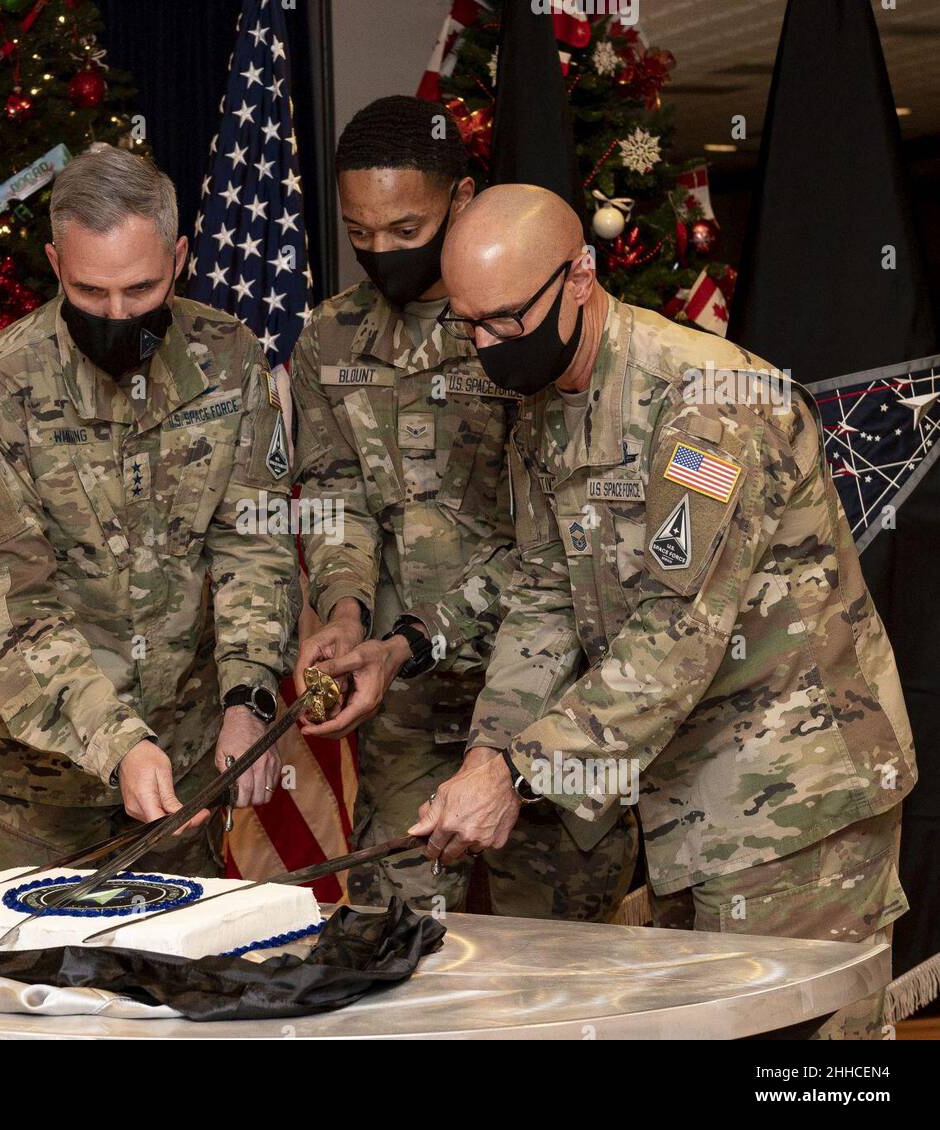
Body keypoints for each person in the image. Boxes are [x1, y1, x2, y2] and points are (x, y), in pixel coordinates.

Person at [329, 183, 915, 1038]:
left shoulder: (711, 402)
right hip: (685, 801)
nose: (487, 347)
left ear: (580, 275)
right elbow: (543, 591)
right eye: (468, 325)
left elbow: (677, 635)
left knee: (810, 1069)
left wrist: (518, 772)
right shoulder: (550, 401)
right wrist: (490, 749)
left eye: (504, 320)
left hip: (796, 796)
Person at [291, 97, 636, 918]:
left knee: (560, 952)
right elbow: (337, 493)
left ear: (462, 198)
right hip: (400, 696)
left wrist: (416, 639)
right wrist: (344, 611)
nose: (382, 254)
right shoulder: (329, 341)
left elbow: (551, 552)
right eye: (360, 234)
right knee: (394, 938)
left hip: (549, 691)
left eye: (406, 232)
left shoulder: (526, 330)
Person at [0, 146, 300, 876]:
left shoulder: (229, 362)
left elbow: (252, 545)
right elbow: (9, 605)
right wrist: (118, 742)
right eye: (90, 292)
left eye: (141, 289)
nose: (117, 313)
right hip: (42, 780)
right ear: (54, 264)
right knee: (29, 975)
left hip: (188, 751)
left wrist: (249, 694)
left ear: (180, 256)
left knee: (177, 973)